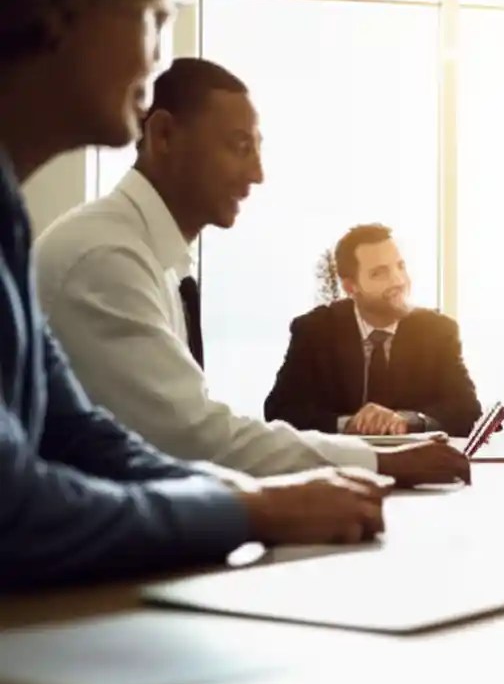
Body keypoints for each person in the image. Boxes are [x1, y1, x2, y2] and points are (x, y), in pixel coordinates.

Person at [0, 0, 394, 588]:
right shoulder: (97, 250)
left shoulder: (13, 225)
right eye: (154, 20)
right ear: (61, 8)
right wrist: (253, 509)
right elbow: (15, 510)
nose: (158, 59)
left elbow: (83, 435)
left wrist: (256, 497)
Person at [35, 58, 468, 485]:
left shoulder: (153, 259)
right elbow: (194, 437)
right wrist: (378, 463)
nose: (257, 174)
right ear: (164, 135)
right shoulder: (107, 257)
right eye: (240, 147)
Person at [264, 224, 481, 437]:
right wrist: (348, 424)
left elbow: (466, 409)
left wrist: (407, 420)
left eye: (400, 266)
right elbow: (280, 411)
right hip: (341, 464)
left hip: (414, 464)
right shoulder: (315, 330)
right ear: (351, 287)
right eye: (379, 273)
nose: (398, 280)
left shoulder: (437, 330)